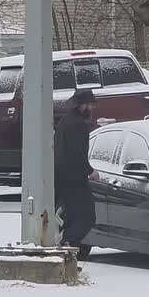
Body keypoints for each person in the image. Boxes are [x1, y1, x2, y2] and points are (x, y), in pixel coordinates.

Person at [54, 89, 100, 253]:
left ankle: (68, 251)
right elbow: (76, 153)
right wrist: (90, 170)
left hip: (62, 176)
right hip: (75, 178)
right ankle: (65, 243)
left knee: (73, 216)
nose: (91, 108)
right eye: (89, 104)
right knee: (87, 217)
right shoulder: (78, 124)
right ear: (82, 105)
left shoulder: (66, 121)